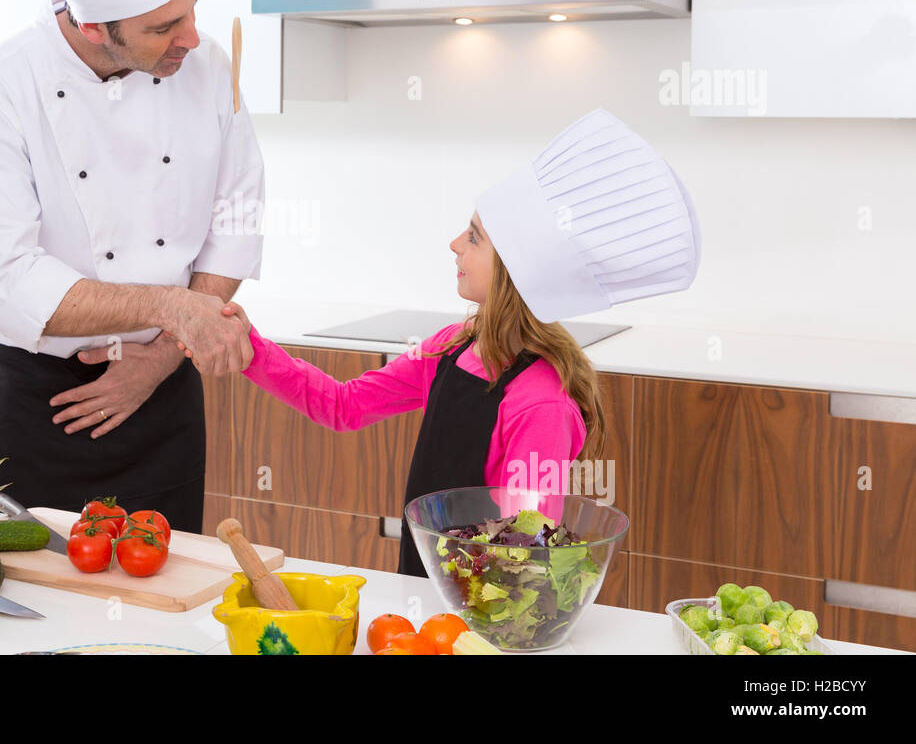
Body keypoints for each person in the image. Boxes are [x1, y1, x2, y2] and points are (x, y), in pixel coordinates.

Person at [203, 109, 700, 575]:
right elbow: (344, 405)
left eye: (475, 236)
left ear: (513, 271)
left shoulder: (542, 404)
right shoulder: (453, 346)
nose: (455, 243)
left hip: (481, 607)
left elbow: (524, 546)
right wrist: (250, 347)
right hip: (421, 579)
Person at [0, 0, 262, 532]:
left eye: (192, 8)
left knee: (167, 603)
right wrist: (172, 309)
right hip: (40, 401)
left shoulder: (207, 66)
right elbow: (7, 280)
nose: (190, 36)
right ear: (94, 27)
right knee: (39, 600)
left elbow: (236, 219)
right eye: (162, 27)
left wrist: (159, 358)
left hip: (163, 388)